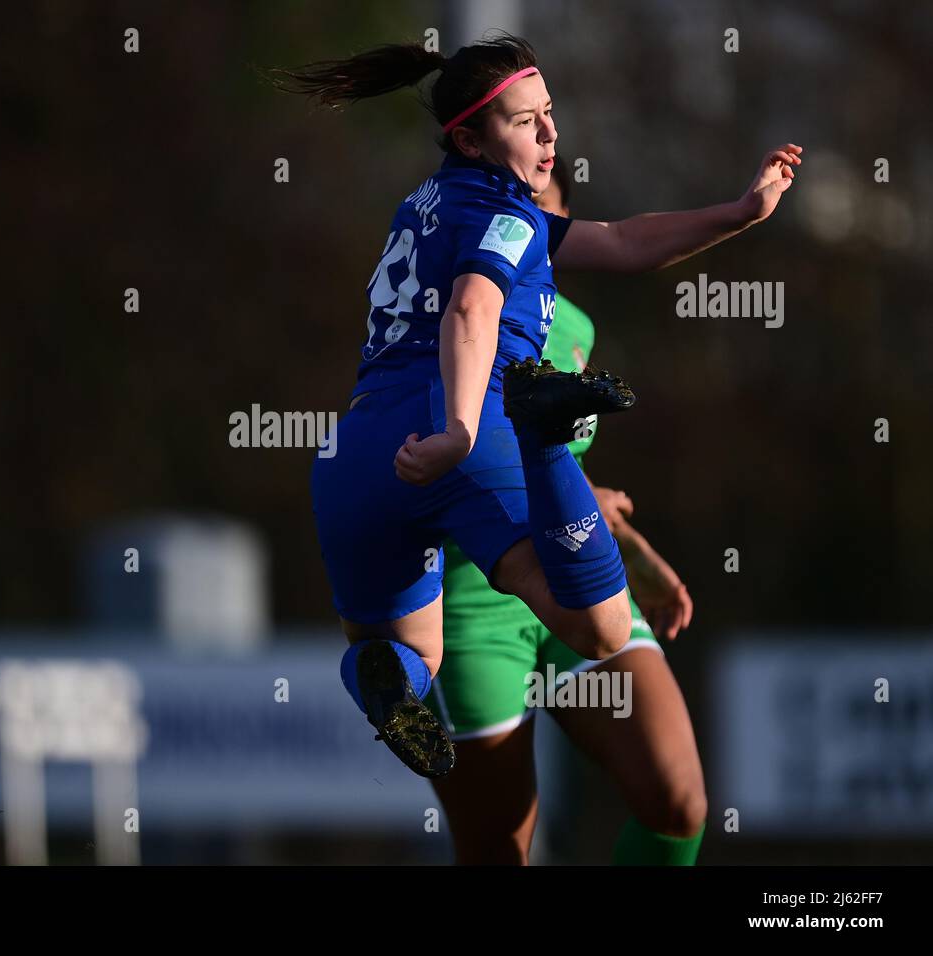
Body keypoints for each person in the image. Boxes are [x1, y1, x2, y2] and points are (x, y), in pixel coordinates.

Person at [273, 33, 801, 777]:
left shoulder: (425, 203)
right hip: (461, 428)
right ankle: (546, 433)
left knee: (407, 652)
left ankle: (385, 681)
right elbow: (469, 311)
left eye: (549, 112)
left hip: (356, 456)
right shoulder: (507, 216)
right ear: (469, 138)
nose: (551, 133)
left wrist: (740, 213)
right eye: (526, 121)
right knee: (602, 628)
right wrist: (459, 429)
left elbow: (621, 241)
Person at [426, 156, 705, 864]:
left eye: (537, 219)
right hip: (473, 601)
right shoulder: (436, 314)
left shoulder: (573, 326)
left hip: (579, 579)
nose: (514, 234)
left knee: (677, 805)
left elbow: (558, 467)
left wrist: (625, 537)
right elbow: (410, 461)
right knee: (499, 855)